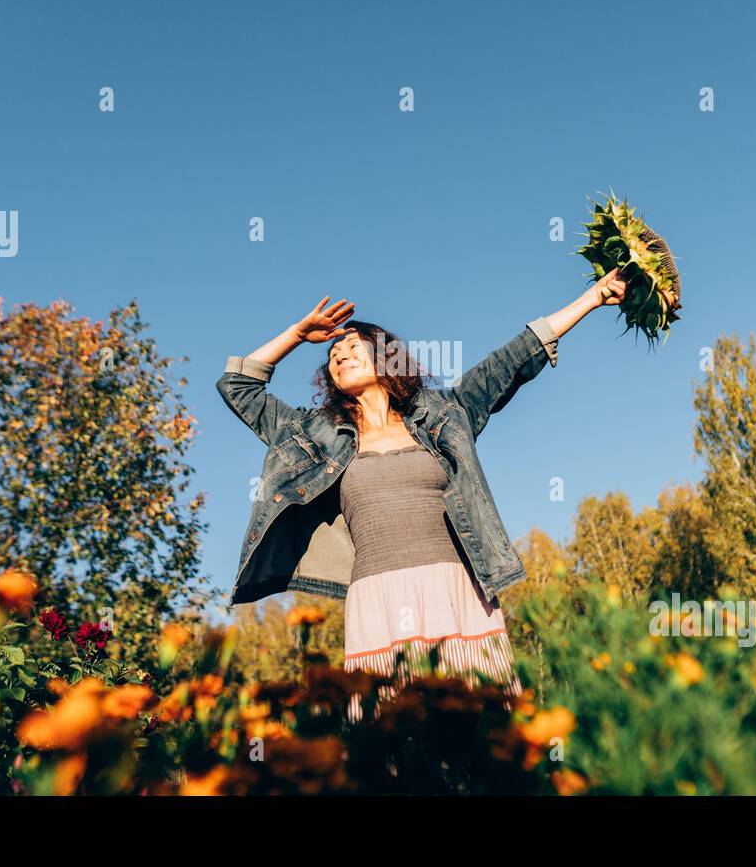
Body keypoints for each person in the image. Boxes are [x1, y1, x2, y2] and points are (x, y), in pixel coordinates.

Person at [216, 268, 630, 719]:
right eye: (333, 353)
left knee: (481, 733)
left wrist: (591, 299)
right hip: (377, 597)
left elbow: (514, 357)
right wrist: (298, 334)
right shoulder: (314, 435)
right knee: (392, 744)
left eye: (354, 346)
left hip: (458, 589)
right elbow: (238, 386)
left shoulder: (447, 413)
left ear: (388, 360)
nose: (340, 354)